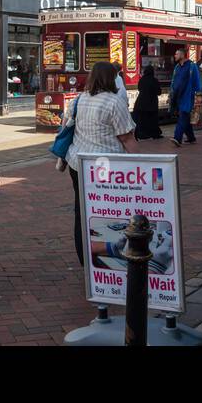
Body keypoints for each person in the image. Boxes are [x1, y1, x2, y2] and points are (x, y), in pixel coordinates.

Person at [66, 62, 138, 265]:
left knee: (82, 211)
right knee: (108, 211)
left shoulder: (79, 99)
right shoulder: (114, 102)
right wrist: (141, 164)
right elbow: (127, 138)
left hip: (78, 164)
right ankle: (106, 257)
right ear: (112, 78)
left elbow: (66, 125)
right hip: (107, 167)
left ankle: (84, 257)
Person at [167, 48, 199, 147]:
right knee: (185, 118)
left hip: (187, 96)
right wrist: (170, 95)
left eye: (176, 54)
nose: (175, 56)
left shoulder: (192, 66)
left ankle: (177, 138)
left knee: (183, 115)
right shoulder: (177, 67)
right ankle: (191, 138)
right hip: (177, 96)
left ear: (182, 55)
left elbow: (196, 81)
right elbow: (173, 82)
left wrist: (198, 96)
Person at [132, 64, 163, 140]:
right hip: (152, 103)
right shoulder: (154, 80)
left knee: (142, 120)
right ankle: (154, 134)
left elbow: (139, 89)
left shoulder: (142, 79)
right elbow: (158, 92)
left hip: (141, 102)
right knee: (152, 120)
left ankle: (142, 134)